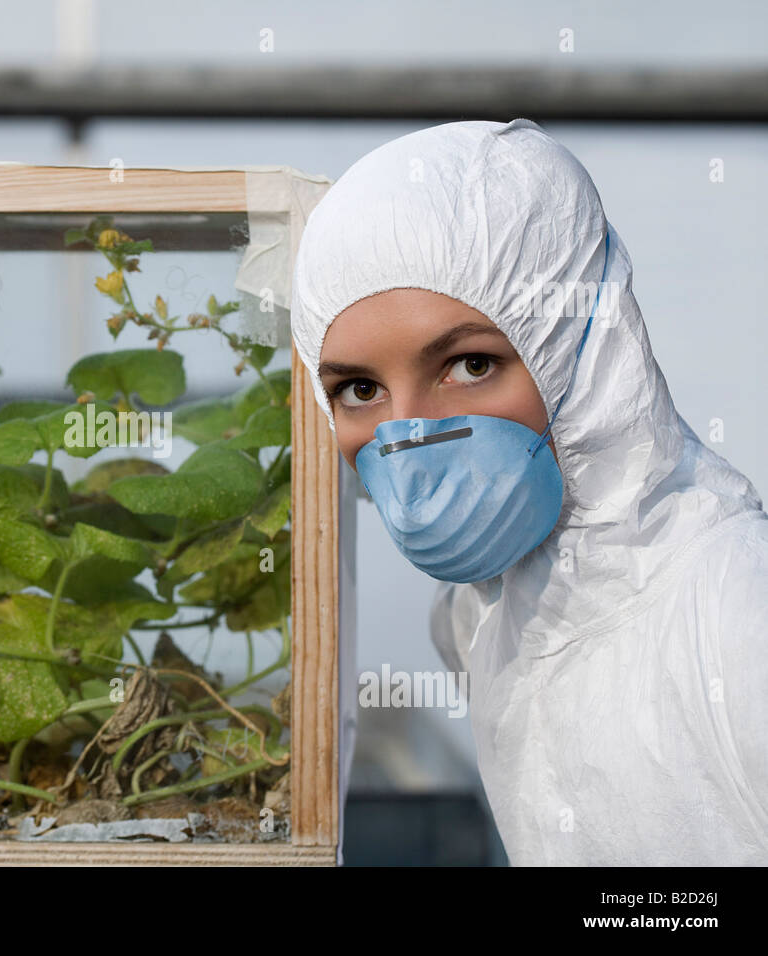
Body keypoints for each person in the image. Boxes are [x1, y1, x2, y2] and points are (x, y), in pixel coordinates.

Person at [290, 117, 768, 865]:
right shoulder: (474, 624)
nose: (408, 436)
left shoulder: (736, 604)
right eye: (358, 388)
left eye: (470, 365)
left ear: (584, 347)